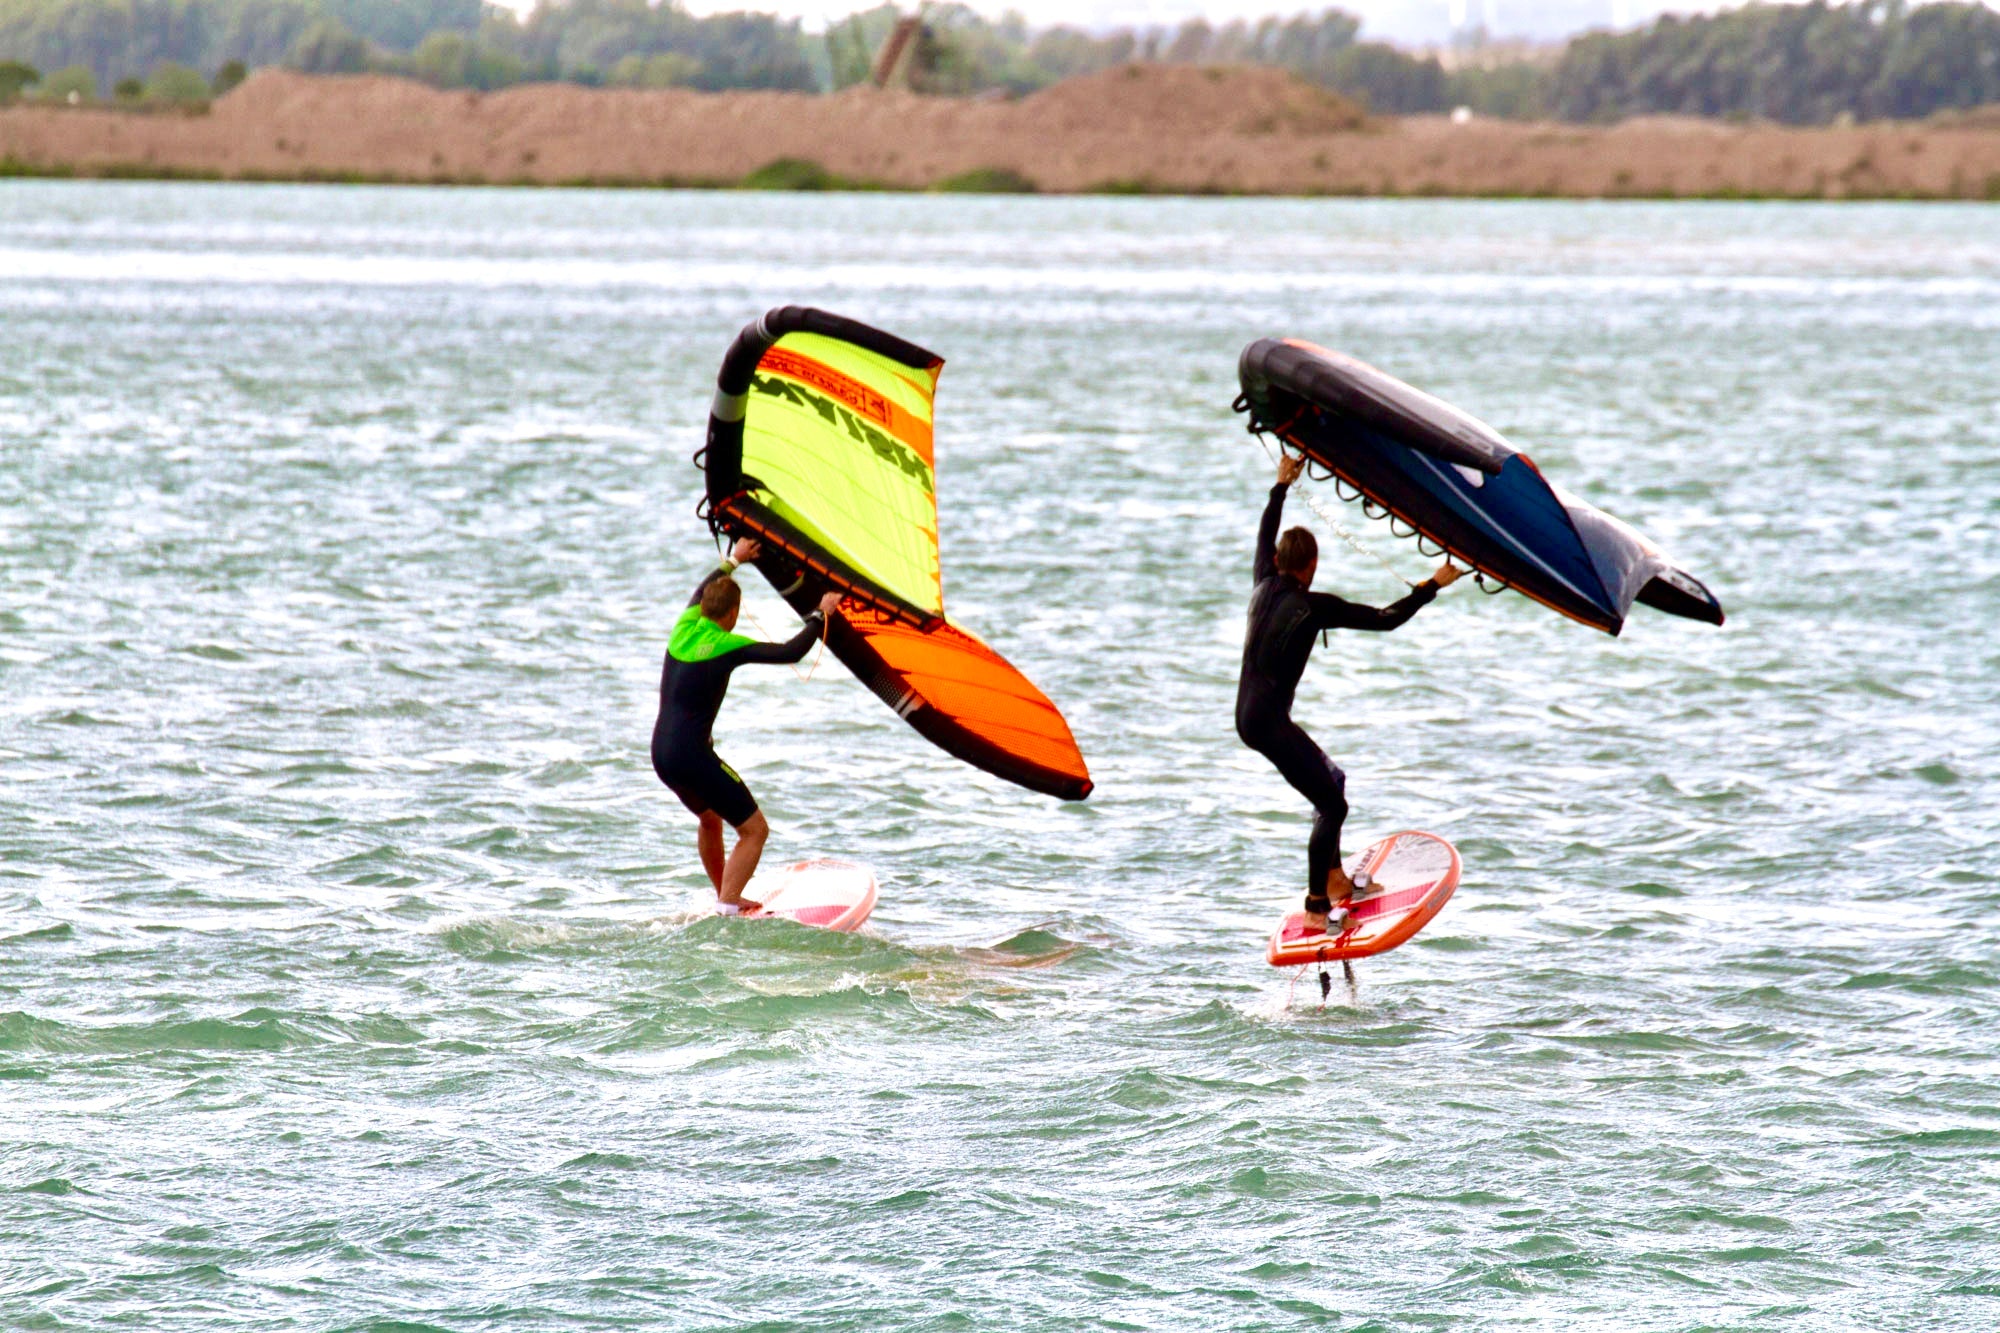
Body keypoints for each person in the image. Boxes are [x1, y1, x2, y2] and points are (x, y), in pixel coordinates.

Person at [1236, 454, 1461, 939]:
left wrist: (1280, 485)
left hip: (1251, 717)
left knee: (1332, 783)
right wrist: (1432, 586)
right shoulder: (1314, 607)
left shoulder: (1262, 583)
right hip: (1268, 723)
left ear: (1277, 561)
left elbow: (1263, 532)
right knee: (1333, 806)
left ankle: (1336, 880)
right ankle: (1317, 905)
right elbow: (1386, 618)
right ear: (1311, 567)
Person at [652, 537, 841, 914]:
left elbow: (699, 588)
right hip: (692, 756)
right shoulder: (727, 644)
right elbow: (791, 651)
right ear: (733, 613)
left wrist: (734, 559)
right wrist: (823, 613)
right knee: (755, 830)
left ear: (704, 606)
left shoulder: (685, 626)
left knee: (710, 819)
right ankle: (729, 906)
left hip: (662, 754)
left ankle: (725, 894)